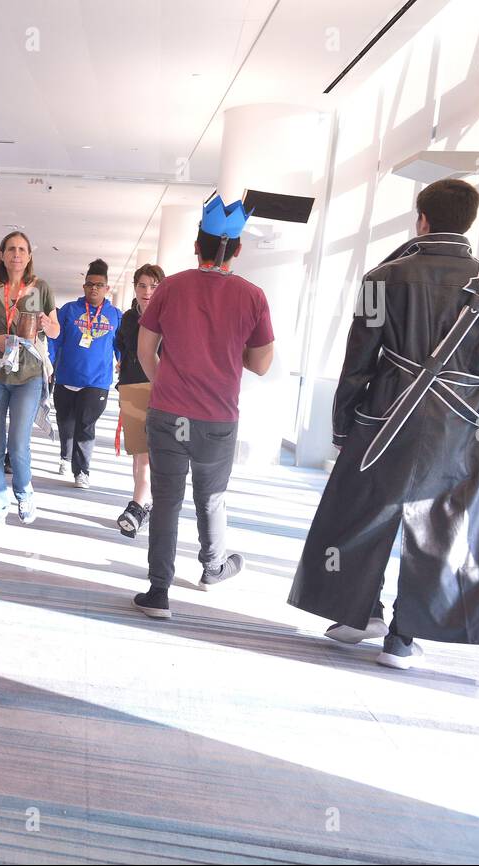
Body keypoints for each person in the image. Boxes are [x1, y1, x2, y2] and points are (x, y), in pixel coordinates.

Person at [289, 178, 479, 669]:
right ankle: (402, 638)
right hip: (467, 428)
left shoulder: (380, 279)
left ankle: (357, 613)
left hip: (383, 419)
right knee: (443, 529)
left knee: (360, 516)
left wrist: (343, 425)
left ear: (421, 219)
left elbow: (357, 359)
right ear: (471, 221)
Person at [132, 194, 273, 618]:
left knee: (166, 499)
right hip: (218, 419)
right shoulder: (253, 295)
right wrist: (235, 355)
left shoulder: (171, 286)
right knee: (211, 498)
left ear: (197, 244)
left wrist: (165, 386)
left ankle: (159, 592)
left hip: (168, 414)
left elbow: (145, 349)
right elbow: (262, 363)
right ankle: (213, 567)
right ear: (239, 250)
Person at [0, 231, 60, 533]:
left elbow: (57, 330)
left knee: (18, 444)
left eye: (22, 249)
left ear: (29, 256)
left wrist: (49, 325)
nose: (17, 254)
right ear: (2, 255)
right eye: (11, 249)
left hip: (29, 376)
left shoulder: (39, 289)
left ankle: (24, 493)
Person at [52, 258, 121, 490]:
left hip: (97, 381)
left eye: (99, 285)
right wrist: (49, 364)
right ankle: (66, 455)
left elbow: (121, 345)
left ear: (106, 288)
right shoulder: (70, 310)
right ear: (84, 286)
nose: (94, 288)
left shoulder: (114, 315)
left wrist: (123, 365)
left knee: (86, 425)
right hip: (66, 378)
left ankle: (82, 470)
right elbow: (55, 341)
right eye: (90, 284)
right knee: (65, 423)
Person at [113, 263, 164, 536]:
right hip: (131, 390)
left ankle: (136, 507)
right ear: (134, 288)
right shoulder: (129, 318)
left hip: (159, 392)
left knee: (145, 455)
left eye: (154, 286)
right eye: (142, 285)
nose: (147, 291)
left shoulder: (170, 318)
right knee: (137, 455)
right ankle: (143, 506)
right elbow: (125, 347)